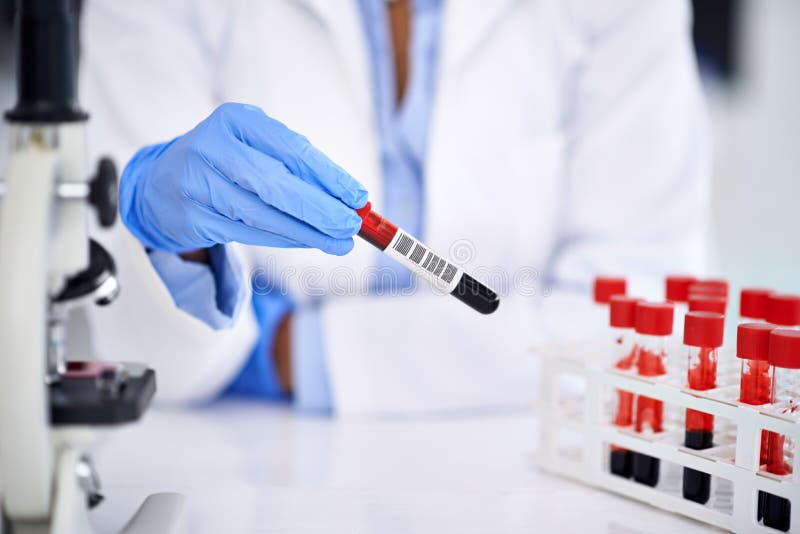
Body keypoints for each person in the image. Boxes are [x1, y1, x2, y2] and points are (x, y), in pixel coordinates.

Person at [80, 0, 709, 415]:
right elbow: (138, 346)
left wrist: (289, 348)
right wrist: (168, 238)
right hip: (235, 469)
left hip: (524, 479)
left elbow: (632, 327)